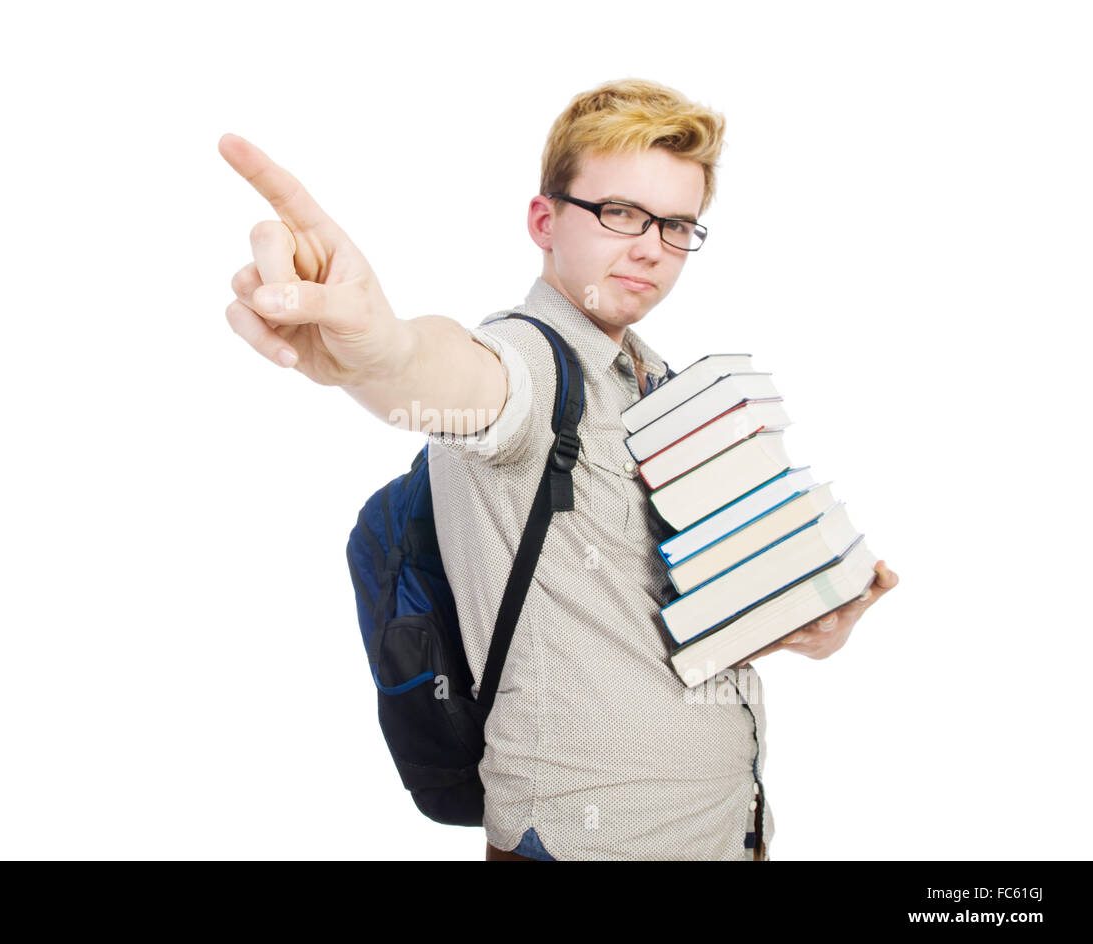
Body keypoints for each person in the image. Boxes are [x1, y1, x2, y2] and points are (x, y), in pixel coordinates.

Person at [219, 78, 899, 861]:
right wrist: (384, 351)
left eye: (677, 225)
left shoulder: (656, 382)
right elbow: (453, 376)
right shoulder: (533, 362)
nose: (650, 245)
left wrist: (799, 624)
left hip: (728, 831)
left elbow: (641, 622)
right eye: (619, 213)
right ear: (545, 220)